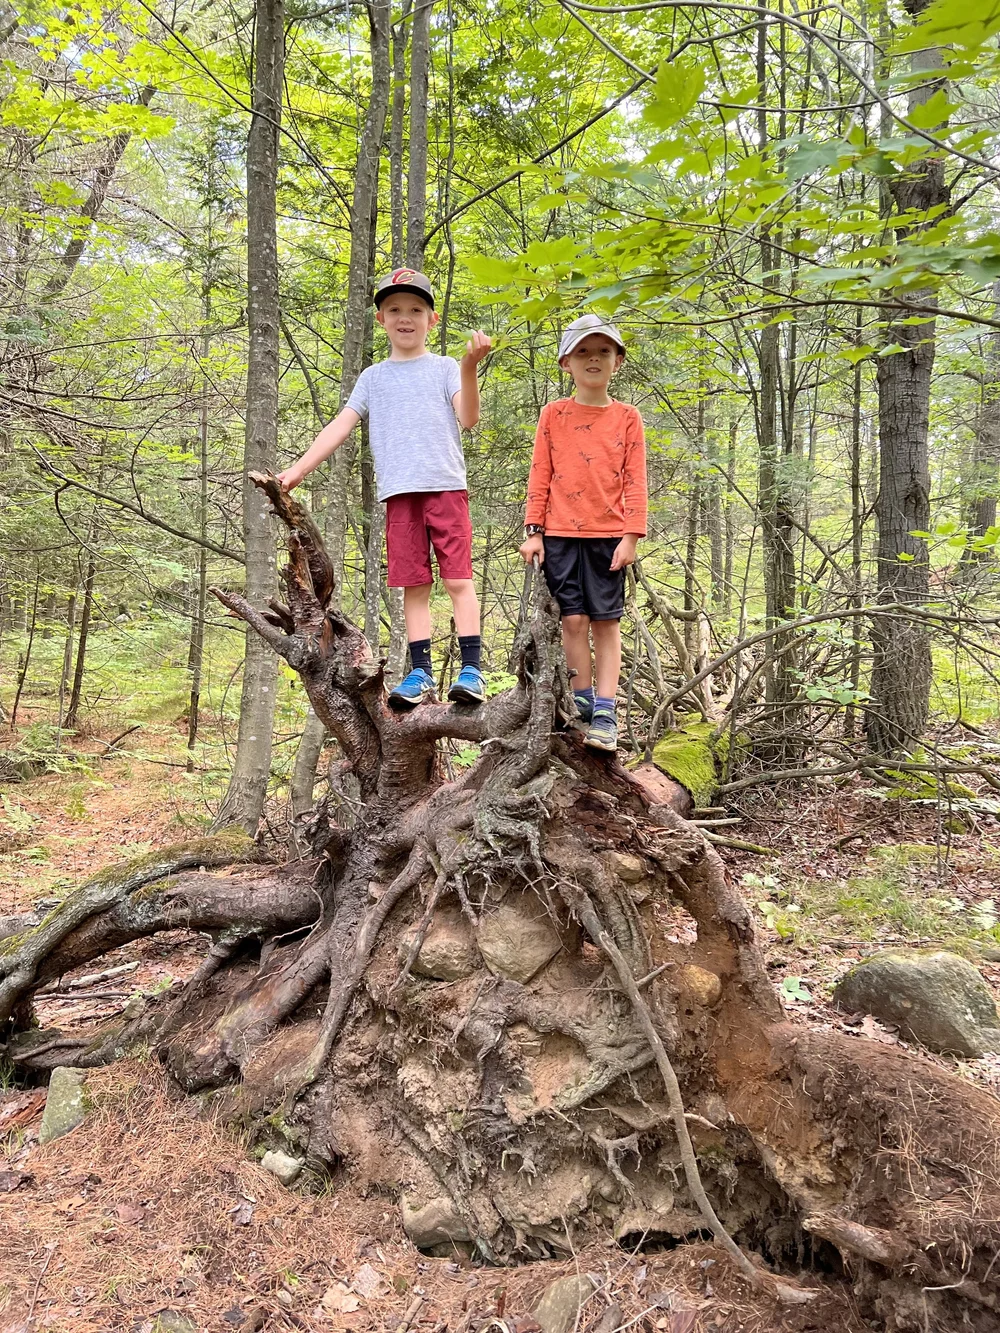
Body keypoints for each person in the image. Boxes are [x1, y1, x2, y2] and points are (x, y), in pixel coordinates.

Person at [276, 269, 491, 711]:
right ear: (381, 319)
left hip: (446, 487)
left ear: (432, 320)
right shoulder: (374, 377)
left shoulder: (445, 368)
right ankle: (420, 672)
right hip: (399, 494)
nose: (405, 317)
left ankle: (471, 669)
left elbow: (468, 418)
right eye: (395, 310)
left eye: (416, 309)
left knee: (457, 579)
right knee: (413, 585)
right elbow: (341, 424)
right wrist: (299, 469)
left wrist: (469, 368)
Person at [518, 313, 647, 753]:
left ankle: (608, 710)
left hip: (609, 536)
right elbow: (540, 473)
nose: (594, 359)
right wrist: (533, 530)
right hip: (558, 534)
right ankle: (584, 702)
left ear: (618, 361)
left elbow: (635, 480)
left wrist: (631, 536)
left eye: (603, 351)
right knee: (572, 619)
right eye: (583, 352)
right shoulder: (553, 414)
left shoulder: (627, 417)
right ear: (565, 363)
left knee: (606, 623)